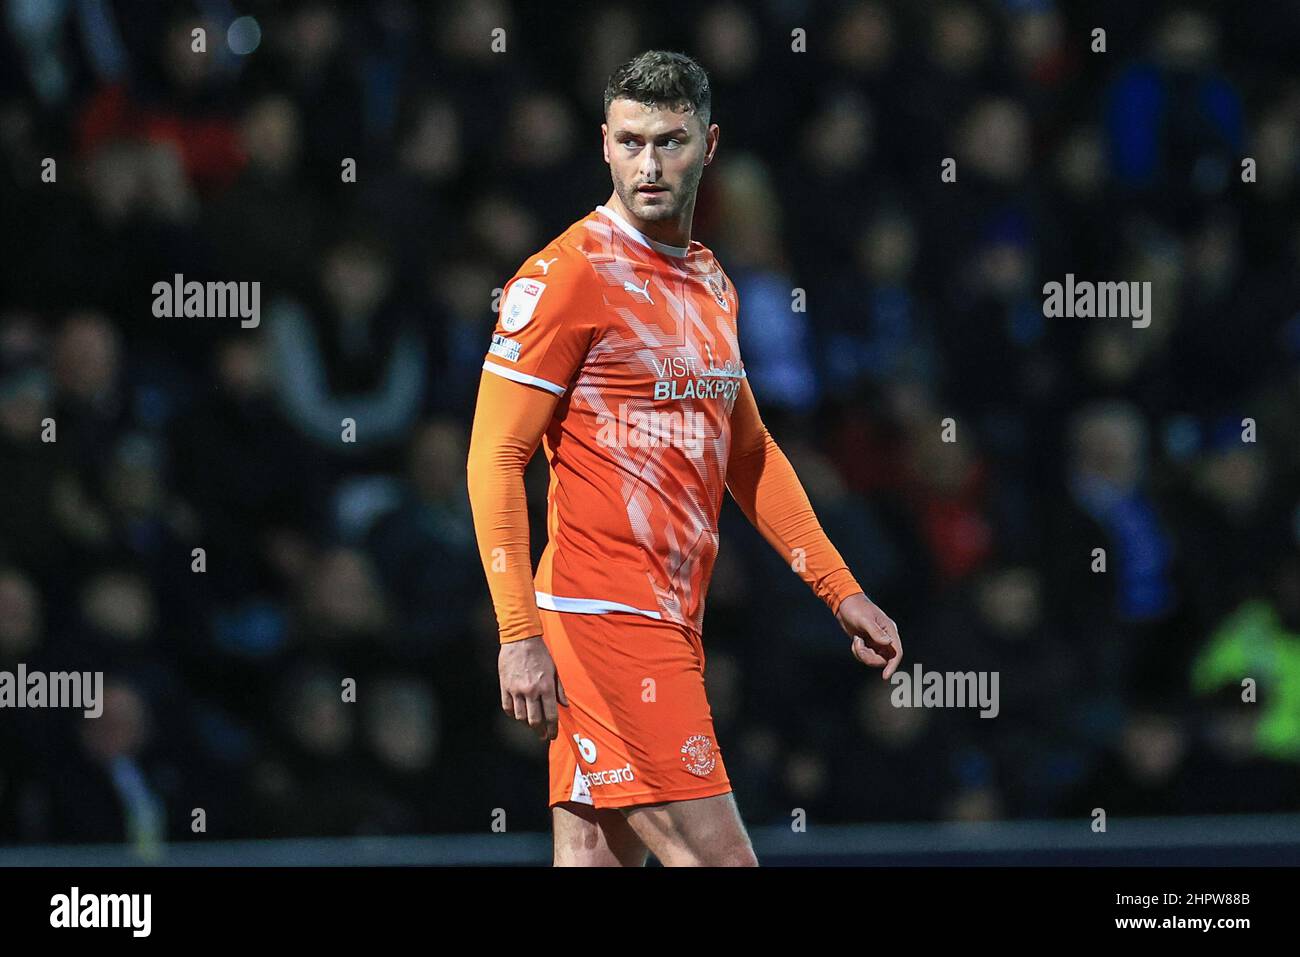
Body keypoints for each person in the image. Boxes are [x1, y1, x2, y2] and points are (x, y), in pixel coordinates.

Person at [466, 50, 902, 867]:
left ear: (709, 144)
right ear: (603, 145)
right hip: (603, 617)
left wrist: (840, 589)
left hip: (672, 615)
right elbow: (494, 456)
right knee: (721, 860)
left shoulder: (709, 282)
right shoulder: (565, 277)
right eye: (630, 141)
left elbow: (749, 454)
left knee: (593, 859)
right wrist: (516, 628)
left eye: (669, 141)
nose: (649, 164)